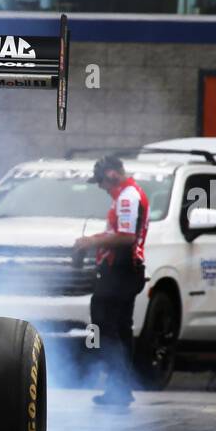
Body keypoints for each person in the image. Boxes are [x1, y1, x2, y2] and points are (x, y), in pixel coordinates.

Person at [73, 155, 149, 408]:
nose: (100, 187)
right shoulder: (125, 196)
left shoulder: (128, 197)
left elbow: (126, 237)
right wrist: (92, 240)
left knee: (107, 325)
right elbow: (117, 233)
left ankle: (117, 384)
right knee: (119, 329)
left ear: (111, 175)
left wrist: (91, 242)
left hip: (121, 271)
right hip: (123, 271)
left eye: (101, 182)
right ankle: (119, 388)